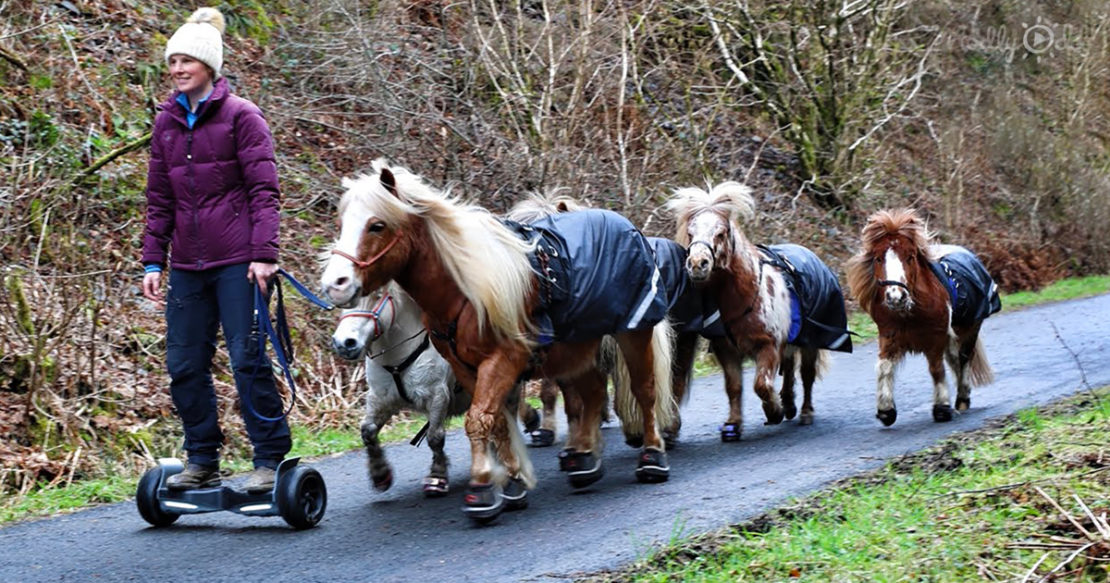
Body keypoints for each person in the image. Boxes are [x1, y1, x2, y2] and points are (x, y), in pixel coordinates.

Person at [141, 7, 290, 493]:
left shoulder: (242, 117)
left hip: (239, 264)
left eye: (187, 61)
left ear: (210, 65)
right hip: (186, 265)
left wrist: (264, 253)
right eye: (172, 62)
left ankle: (269, 458)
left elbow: (264, 192)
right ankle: (202, 457)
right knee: (184, 366)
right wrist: (151, 260)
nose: (178, 69)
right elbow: (160, 198)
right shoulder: (165, 124)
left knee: (247, 361)